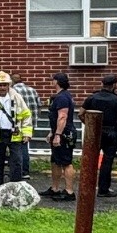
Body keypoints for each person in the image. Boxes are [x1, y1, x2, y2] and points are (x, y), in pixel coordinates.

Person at [82, 73, 117, 197]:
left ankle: (87, 186)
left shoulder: (92, 97)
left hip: (95, 131)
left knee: (91, 159)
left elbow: (81, 113)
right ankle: (103, 189)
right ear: (114, 85)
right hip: (111, 132)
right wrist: (116, 125)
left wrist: (89, 124)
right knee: (107, 161)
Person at [0, 73, 30, 185]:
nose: (2, 87)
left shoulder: (17, 97)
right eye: (0, 85)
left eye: (5, 85)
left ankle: (15, 190)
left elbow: (26, 115)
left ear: (9, 85)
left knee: (16, 163)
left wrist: (27, 133)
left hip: (14, 134)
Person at [45, 71, 76, 200]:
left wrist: (58, 134)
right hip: (57, 132)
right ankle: (55, 188)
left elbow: (62, 117)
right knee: (55, 161)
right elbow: (55, 118)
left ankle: (69, 192)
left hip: (65, 134)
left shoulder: (63, 97)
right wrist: (52, 132)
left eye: (53, 80)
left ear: (56, 82)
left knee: (66, 162)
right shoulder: (58, 97)